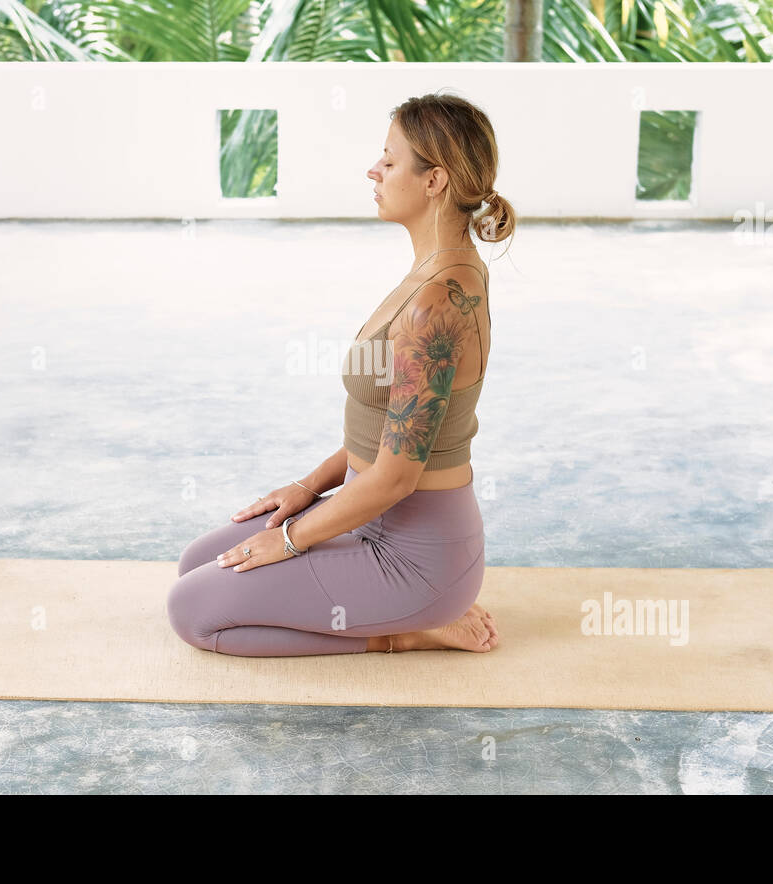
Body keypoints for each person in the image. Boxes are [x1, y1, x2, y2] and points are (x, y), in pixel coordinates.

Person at [167, 91, 516, 657]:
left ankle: (411, 628)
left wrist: (290, 538)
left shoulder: (440, 302)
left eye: (390, 160)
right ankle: (406, 609)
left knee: (194, 613)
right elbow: (386, 426)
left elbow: (399, 478)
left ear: (435, 181)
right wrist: (308, 489)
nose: (373, 170)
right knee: (195, 565)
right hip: (366, 516)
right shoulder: (428, 273)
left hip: (413, 558)